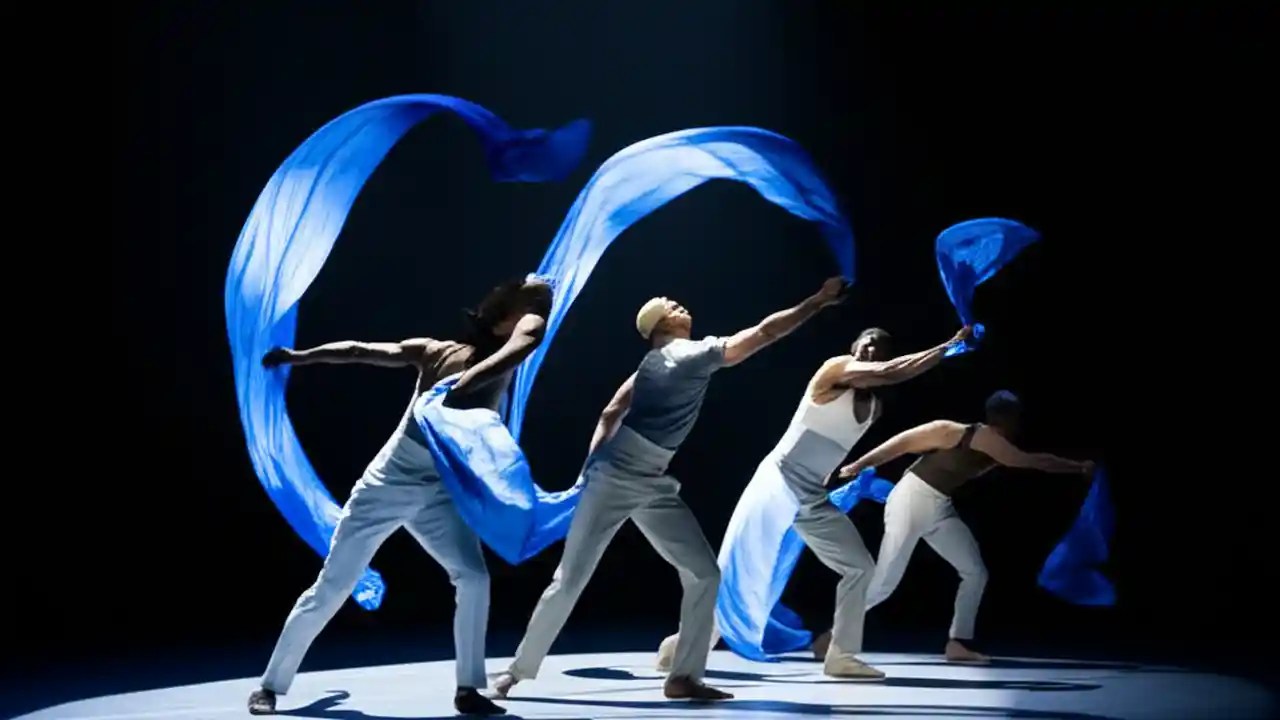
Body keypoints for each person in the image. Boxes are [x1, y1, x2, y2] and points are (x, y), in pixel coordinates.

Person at [490, 277, 850, 702]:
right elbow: (765, 333)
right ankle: (516, 672)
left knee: (703, 573)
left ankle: (683, 678)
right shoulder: (689, 353)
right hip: (620, 475)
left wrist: (592, 463)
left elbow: (610, 411)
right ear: (660, 325)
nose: (681, 306)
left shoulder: (649, 364)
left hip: (649, 480)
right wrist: (817, 301)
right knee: (571, 578)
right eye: (672, 306)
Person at [246, 277, 553, 717]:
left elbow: (526, 342)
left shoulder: (509, 356)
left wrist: (474, 378)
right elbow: (358, 350)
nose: (535, 314)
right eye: (528, 307)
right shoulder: (435, 351)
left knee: (473, 577)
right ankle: (270, 687)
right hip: (386, 485)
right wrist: (298, 357)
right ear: (503, 317)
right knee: (333, 587)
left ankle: (468, 689)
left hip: (439, 495)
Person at [654, 325, 971, 679]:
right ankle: (682, 645)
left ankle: (841, 655)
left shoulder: (873, 408)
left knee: (859, 567)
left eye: (878, 349)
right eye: (864, 345)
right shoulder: (833, 370)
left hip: (811, 496)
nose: (869, 352)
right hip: (777, 480)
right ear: (853, 348)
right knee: (745, 573)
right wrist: (949, 345)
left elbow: (882, 381)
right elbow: (890, 372)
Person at [826, 390, 1093, 663]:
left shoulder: (996, 443)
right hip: (912, 500)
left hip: (939, 506)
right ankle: (833, 635)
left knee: (975, 572)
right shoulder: (966, 433)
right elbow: (902, 442)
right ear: (1009, 418)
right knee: (885, 582)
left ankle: (959, 643)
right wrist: (1077, 467)